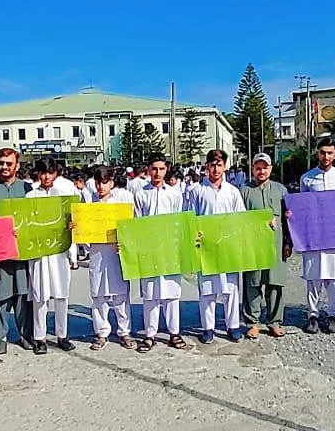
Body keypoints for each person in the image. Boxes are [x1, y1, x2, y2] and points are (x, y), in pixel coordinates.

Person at [186, 148, 246, 343]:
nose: (216, 169)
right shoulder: (197, 191)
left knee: (230, 288)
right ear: (207, 167)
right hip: (207, 247)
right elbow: (190, 217)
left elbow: (241, 218)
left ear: (225, 167)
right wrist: (195, 233)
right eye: (212, 165)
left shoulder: (233, 192)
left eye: (219, 165)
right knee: (207, 289)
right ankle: (208, 328)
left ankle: (232, 326)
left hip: (228, 246)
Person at [0, 148, 34, 354]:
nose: (4, 167)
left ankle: (26, 334)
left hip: (22, 253)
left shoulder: (27, 189)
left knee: (23, 294)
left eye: (8, 163)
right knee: (0, 296)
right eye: (1, 163)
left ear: (17, 166)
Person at [134, 155, 189, 352]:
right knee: (150, 293)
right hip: (149, 249)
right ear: (148, 169)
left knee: (171, 292)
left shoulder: (174, 194)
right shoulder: (140, 194)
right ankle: (150, 334)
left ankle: (174, 332)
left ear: (167, 170)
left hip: (169, 249)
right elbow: (137, 222)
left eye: (161, 169)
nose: (157, 173)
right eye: (154, 169)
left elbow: (179, 221)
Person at [26, 157, 80, 354]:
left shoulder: (65, 194)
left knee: (61, 294)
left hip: (59, 251)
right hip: (40, 252)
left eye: (49, 172)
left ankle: (62, 335)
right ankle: (39, 337)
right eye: (42, 172)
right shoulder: (31, 196)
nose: (46, 176)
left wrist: (73, 228)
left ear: (56, 173)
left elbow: (75, 221)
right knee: (40, 295)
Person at [81, 167, 137, 350]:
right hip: (97, 253)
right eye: (97, 182)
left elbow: (130, 228)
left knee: (121, 294)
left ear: (111, 183)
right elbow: (82, 233)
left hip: (116, 252)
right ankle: (102, 332)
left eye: (104, 182)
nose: (100, 186)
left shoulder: (120, 206)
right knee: (99, 295)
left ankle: (124, 331)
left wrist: (126, 242)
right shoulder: (89, 207)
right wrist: (76, 227)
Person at [299, 138, 335, 334]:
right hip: (314, 236)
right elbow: (302, 207)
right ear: (317, 153)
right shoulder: (307, 178)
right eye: (322, 152)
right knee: (313, 277)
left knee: (334, 277)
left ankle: (333, 315)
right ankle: (312, 315)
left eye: (330, 153)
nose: (326, 156)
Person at [240, 153, 292, 339]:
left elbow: (289, 220)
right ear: (253, 169)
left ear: (271, 169)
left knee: (275, 283)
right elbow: (238, 220)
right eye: (258, 167)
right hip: (253, 246)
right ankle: (252, 322)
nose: (261, 171)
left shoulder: (281, 190)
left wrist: (288, 242)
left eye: (265, 167)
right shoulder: (244, 191)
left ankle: (274, 321)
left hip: (276, 244)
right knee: (252, 283)